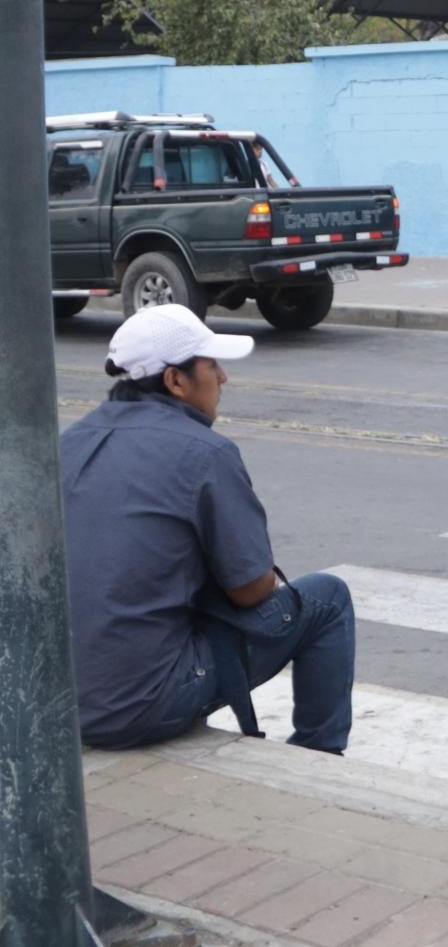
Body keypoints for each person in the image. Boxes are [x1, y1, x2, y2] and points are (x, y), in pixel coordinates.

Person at [60, 304, 355, 753]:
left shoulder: (70, 441)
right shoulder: (205, 452)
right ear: (176, 381)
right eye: (211, 366)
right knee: (328, 599)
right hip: (139, 708)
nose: (223, 379)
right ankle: (321, 754)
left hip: (54, 700)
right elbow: (251, 589)